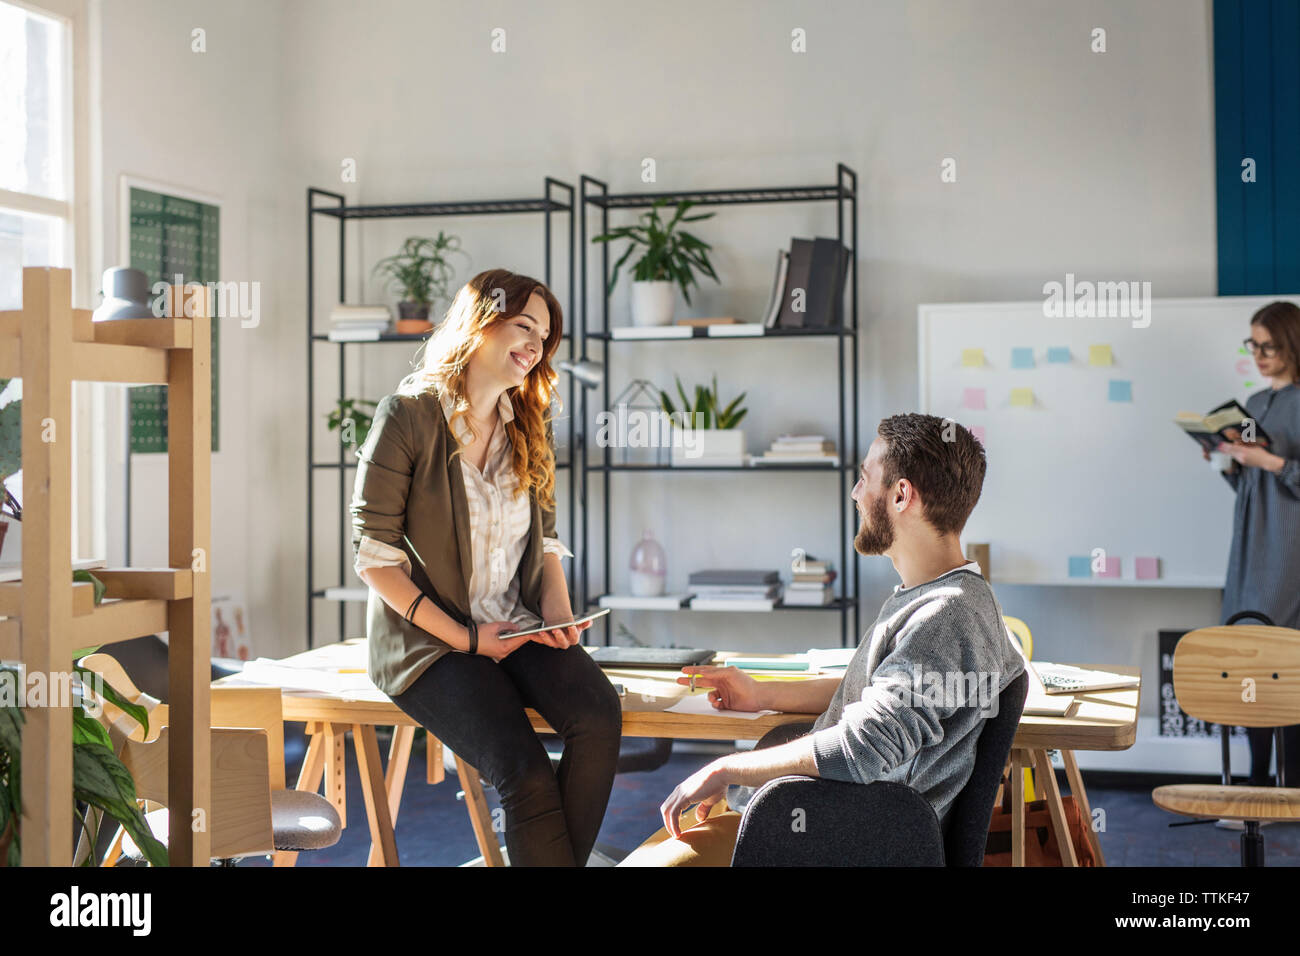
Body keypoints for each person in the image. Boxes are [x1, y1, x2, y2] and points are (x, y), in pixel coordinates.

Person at [618, 413, 1026, 866]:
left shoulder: (946, 613)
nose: (855, 494)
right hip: (834, 826)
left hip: (852, 839)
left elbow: (863, 746)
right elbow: (885, 695)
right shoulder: (940, 597)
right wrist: (761, 693)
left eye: (864, 479)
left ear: (901, 494)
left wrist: (725, 768)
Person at [350, 268, 622, 866]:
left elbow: (546, 541)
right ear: (481, 320)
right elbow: (375, 556)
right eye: (524, 325)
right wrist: (468, 639)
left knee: (598, 715)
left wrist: (557, 616)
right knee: (523, 774)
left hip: (514, 624)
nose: (534, 345)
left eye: (544, 337)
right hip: (432, 642)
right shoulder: (408, 416)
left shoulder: (529, 424)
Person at [1214, 301, 1300, 791]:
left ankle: (1280, 786)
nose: (1261, 355)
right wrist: (1233, 463)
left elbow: (1285, 475)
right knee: (1246, 654)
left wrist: (1268, 462)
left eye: (1270, 346)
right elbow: (1251, 488)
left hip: (1286, 550)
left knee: (1276, 659)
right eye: (1254, 346)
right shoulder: (1256, 401)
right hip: (1249, 546)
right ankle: (1257, 782)